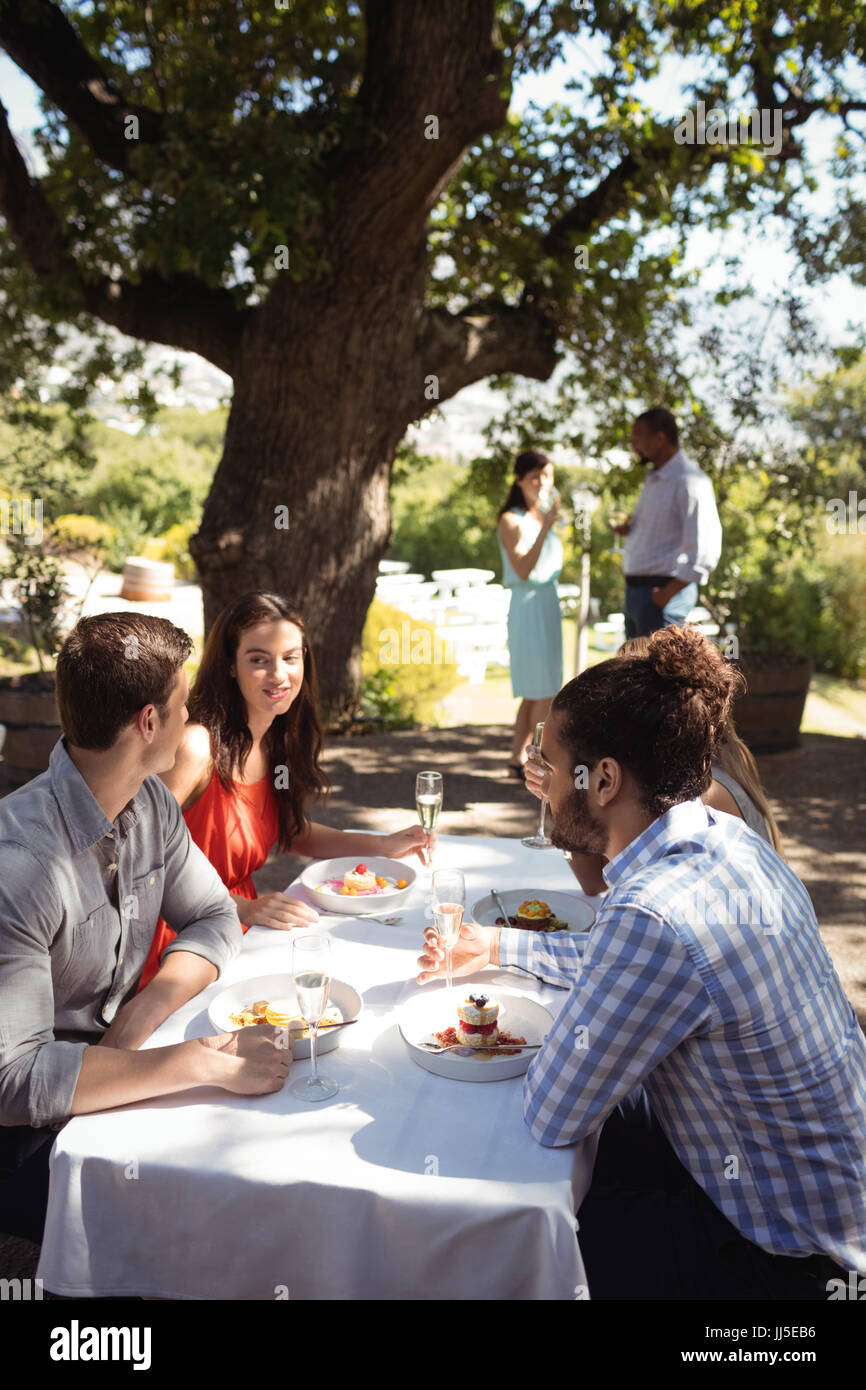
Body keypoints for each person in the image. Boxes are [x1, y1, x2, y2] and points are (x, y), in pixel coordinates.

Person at [418, 626, 866, 1299]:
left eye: (547, 762)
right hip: (823, 1200)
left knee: (493, 1227)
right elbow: (641, 962)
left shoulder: (652, 911)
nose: (536, 780)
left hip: (786, 1264)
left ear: (602, 780)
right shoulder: (721, 840)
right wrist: (502, 946)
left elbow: (552, 1112)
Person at [0, 613, 291, 1245]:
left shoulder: (151, 802)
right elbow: (14, 1082)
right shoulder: (19, 867)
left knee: (272, 1146)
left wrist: (141, 1017)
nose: (193, 722)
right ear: (149, 722)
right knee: (216, 1207)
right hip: (25, 1141)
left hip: (120, 1067)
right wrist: (188, 1063)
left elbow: (214, 914)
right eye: (184, 706)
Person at [138, 591, 432, 988]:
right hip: (180, 942)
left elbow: (288, 831)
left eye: (291, 658)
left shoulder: (278, 742)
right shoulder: (196, 747)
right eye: (259, 660)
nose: (279, 674)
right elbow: (139, 859)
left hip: (242, 930)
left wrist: (381, 846)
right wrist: (240, 908)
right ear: (230, 665)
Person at [527, 635, 782, 895]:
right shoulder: (687, 775)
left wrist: (569, 787)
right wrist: (564, 786)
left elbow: (595, 883)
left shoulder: (694, 794)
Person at [611, 408, 722, 640]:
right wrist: (631, 530)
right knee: (634, 674)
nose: (633, 445)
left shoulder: (689, 480)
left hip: (662, 597)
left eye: (637, 437)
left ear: (660, 439)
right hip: (638, 594)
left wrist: (667, 594)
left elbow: (705, 550)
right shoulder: (654, 478)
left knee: (659, 675)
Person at [497, 449, 564, 777]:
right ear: (520, 479)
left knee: (538, 688)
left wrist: (547, 522)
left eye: (547, 475)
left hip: (548, 602)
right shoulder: (510, 519)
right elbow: (522, 569)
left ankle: (516, 760)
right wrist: (544, 524)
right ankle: (536, 761)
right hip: (527, 605)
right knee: (541, 691)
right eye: (535, 476)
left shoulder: (546, 519)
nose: (542, 482)